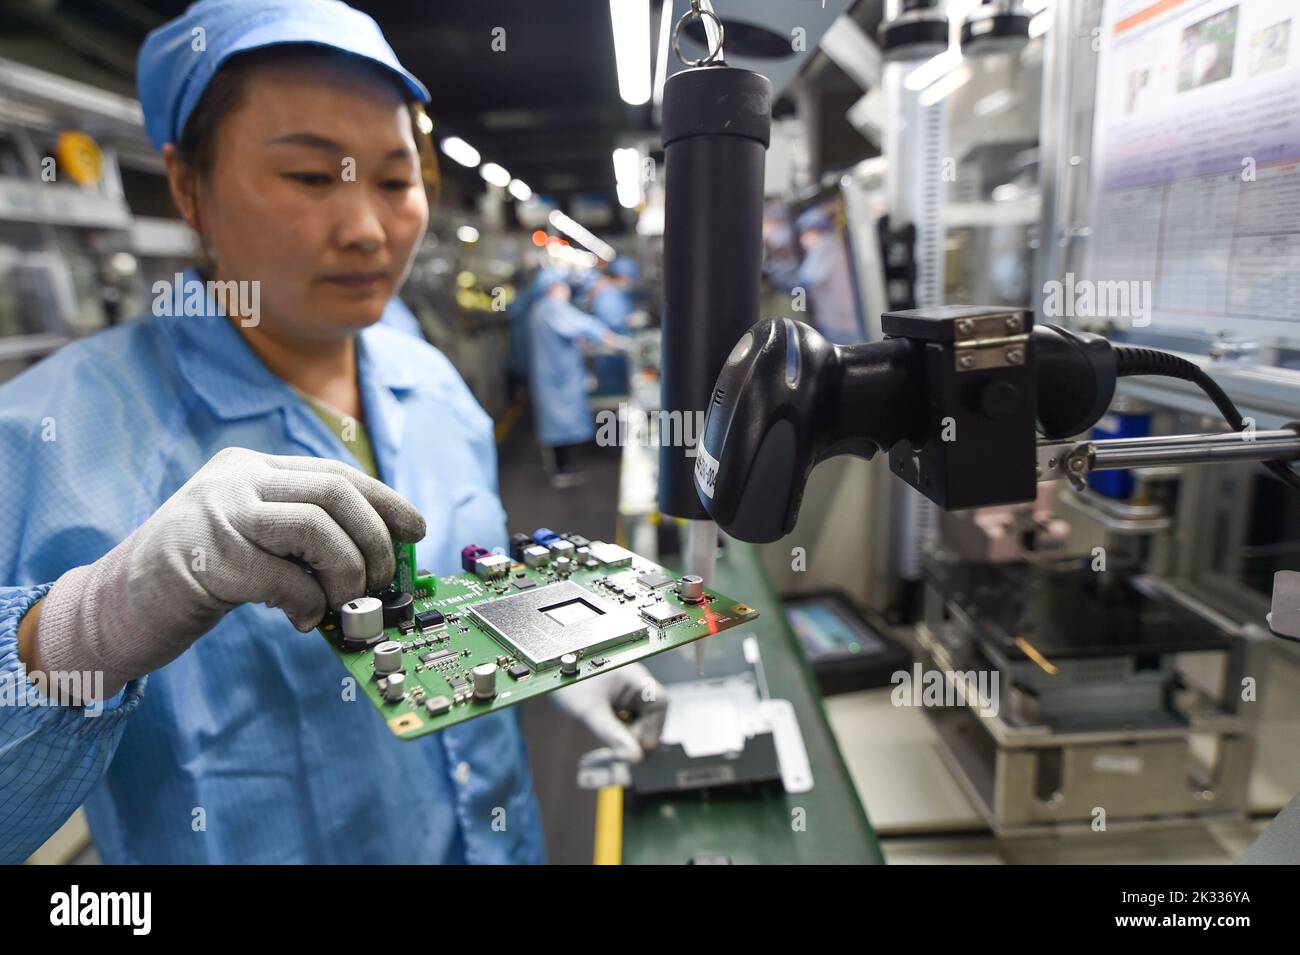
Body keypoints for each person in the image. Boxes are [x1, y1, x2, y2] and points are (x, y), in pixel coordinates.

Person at [0, 0, 663, 865]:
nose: (366, 229)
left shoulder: (423, 371)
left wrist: (553, 649)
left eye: (395, 181)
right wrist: (82, 630)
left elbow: (459, 585)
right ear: (187, 185)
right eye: (312, 178)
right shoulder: (50, 433)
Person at [527, 268, 622, 487]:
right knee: (560, 422)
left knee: (557, 423)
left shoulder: (540, 309)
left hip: (553, 373)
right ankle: (561, 470)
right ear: (553, 287)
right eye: (563, 285)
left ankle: (561, 466)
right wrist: (610, 338)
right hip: (558, 377)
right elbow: (582, 324)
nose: (566, 290)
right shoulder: (552, 308)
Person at [795, 206, 863, 344]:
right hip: (837, 318)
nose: (803, 238)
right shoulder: (829, 245)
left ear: (815, 230)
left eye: (806, 233)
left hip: (840, 322)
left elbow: (807, 277)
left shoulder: (824, 246)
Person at [587, 257, 638, 396]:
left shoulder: (615, 293)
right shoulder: (607, 296)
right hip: (610, 352)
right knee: (614, 391)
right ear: (621, 276)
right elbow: (613, 322)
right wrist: (628, 321)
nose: (629, 282)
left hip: (617, 351)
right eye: (628, 278)